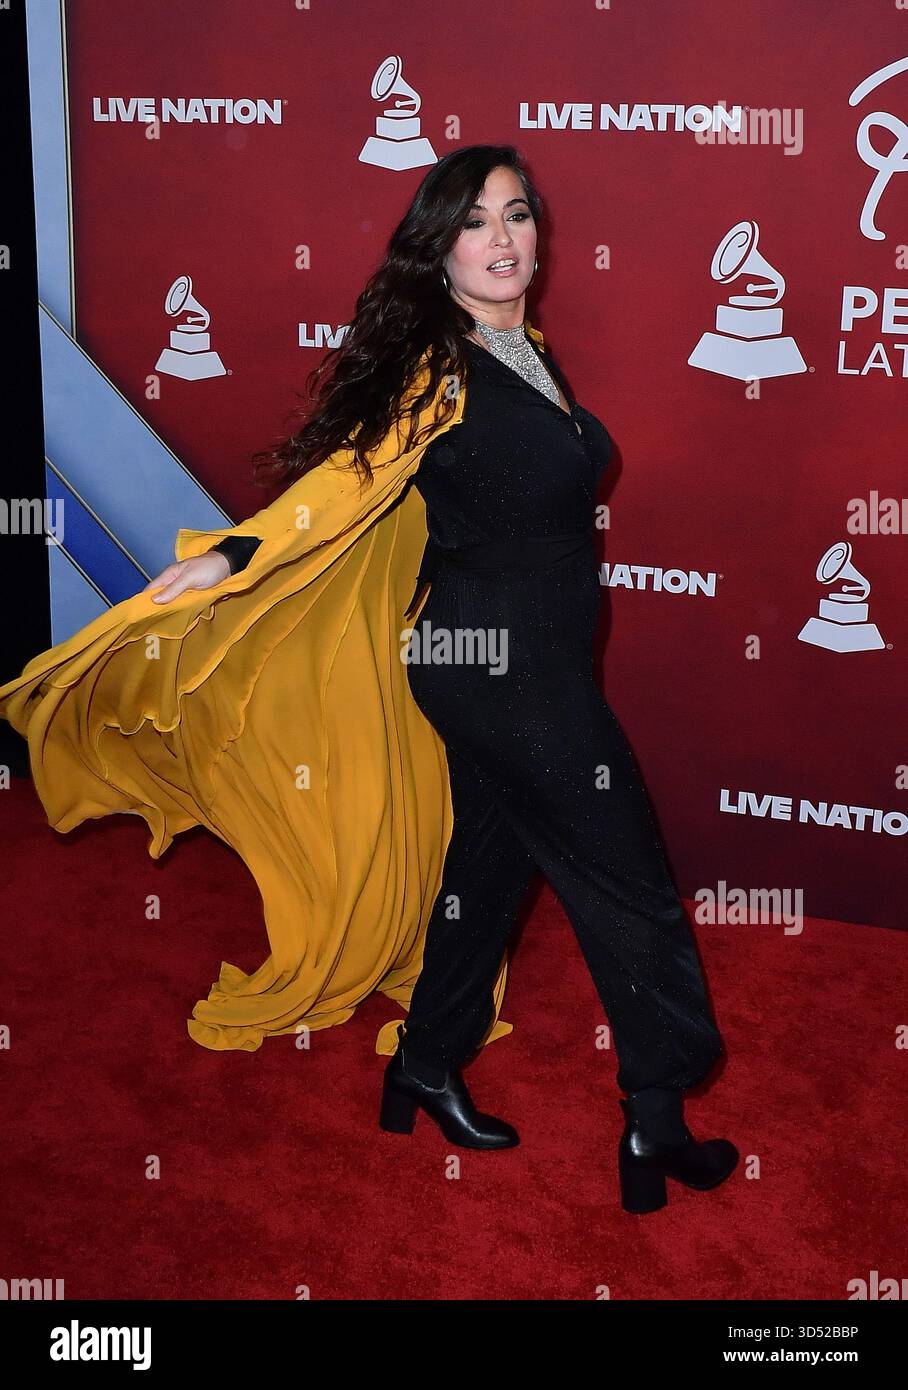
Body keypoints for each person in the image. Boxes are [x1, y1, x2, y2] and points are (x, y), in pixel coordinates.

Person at [0, 146, 736, 1213]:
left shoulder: (522, 346)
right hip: (503, 673)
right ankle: (657, 1114)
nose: (501, 239)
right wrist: (232, 556)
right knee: (628, 883)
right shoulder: (436, 373)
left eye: (516, 216)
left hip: (509, 663)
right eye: (474, 223)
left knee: (488, 868)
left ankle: (424, 1062)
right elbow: (341, 484)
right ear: (435, 253)